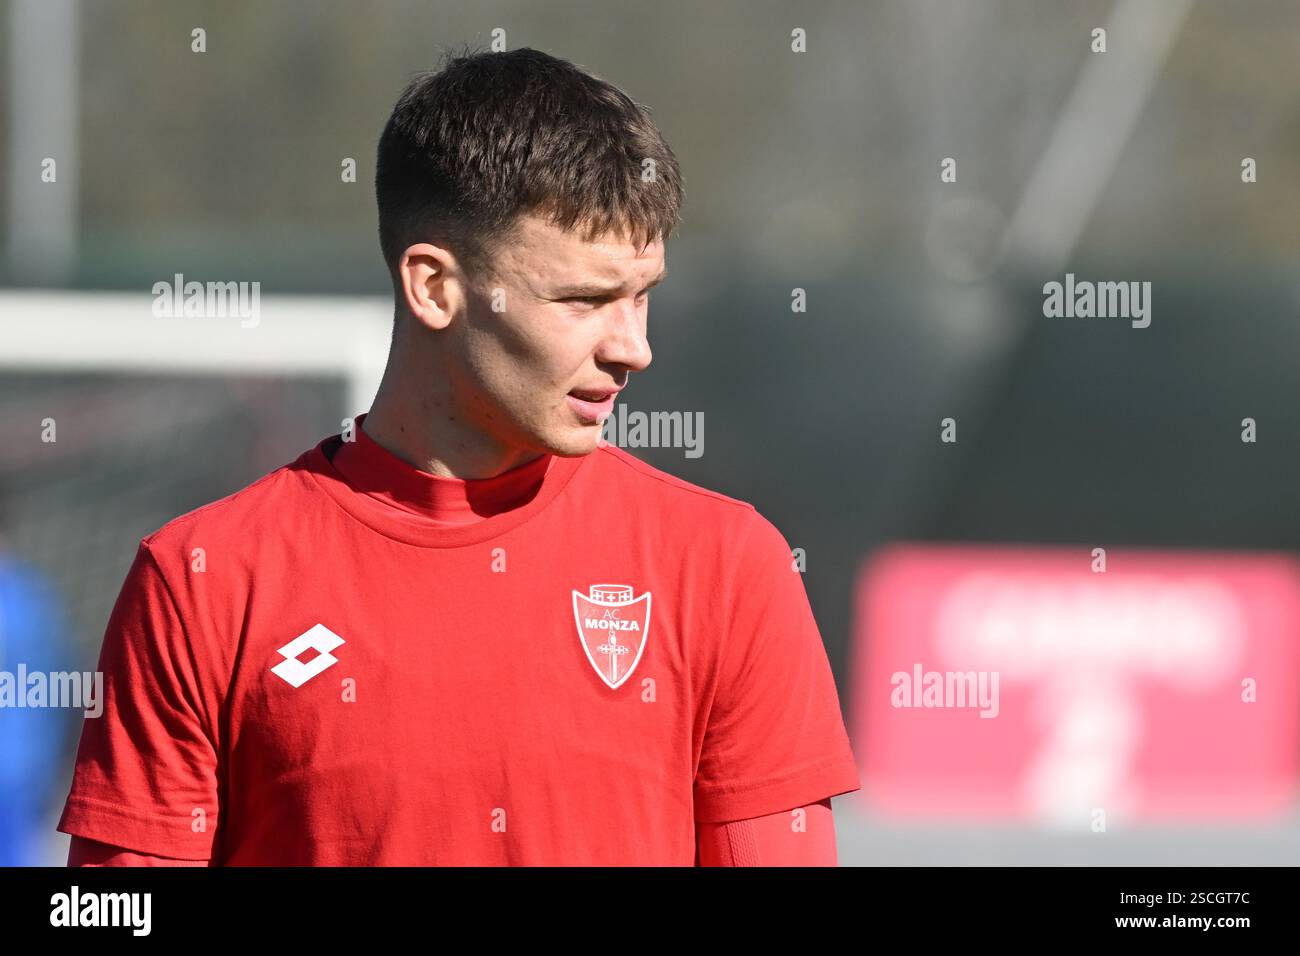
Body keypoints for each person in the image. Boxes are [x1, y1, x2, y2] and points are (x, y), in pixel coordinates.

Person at [59, 47, 859, 867]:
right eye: (583, 300)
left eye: (641, 295)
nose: (633, 347)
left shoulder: (726, 568)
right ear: (434, 287)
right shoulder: (204, 579)